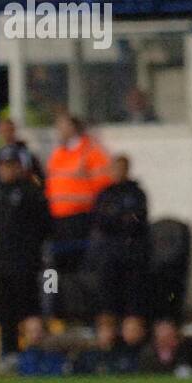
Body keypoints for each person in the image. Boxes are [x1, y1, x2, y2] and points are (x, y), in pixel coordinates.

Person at [0, 144, 52, 360]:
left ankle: (35, 352)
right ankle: (9, 353)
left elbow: (45, 227)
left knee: (30, 310)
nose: (6, 170)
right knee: (6, 312)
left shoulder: (31, 192)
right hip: (1, 264)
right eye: (3, 165)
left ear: (20, 166)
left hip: (26, 263)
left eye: (11, 165)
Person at [44, 115, 112, 277]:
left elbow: (103, 184)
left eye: (62, 126)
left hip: (79, 219)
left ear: (73, 128)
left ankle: (76, 300)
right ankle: (54, 299)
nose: (59, 130)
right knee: (54, 267)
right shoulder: (58, 153)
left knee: (78, 265)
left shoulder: (89, 151)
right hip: (56, 219)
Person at [85, 155, 150, 317]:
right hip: (109, 256)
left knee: (132, 299)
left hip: (132, 255)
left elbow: (136, 221)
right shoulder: (105, 194)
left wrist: (116, 218)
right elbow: (100, 220)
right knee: (109, 299)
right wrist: (119, 218)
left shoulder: (136, 193)